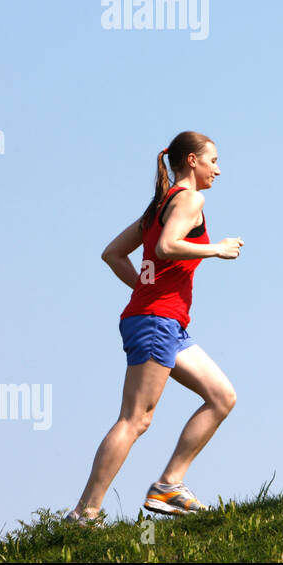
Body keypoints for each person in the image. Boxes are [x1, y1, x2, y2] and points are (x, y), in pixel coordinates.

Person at [65, 132, 243, 524]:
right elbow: (166, 247)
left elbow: (112, 253)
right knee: (135, 419)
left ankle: (168, 486)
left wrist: (145, 289)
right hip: (156, 322)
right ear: (192, 161)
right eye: (213, 160)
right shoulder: (189, 199)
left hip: (163, 321)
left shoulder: (158, 205)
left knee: (222, 397)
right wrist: (216, 248)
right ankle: (85, 513)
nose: (218, 169)